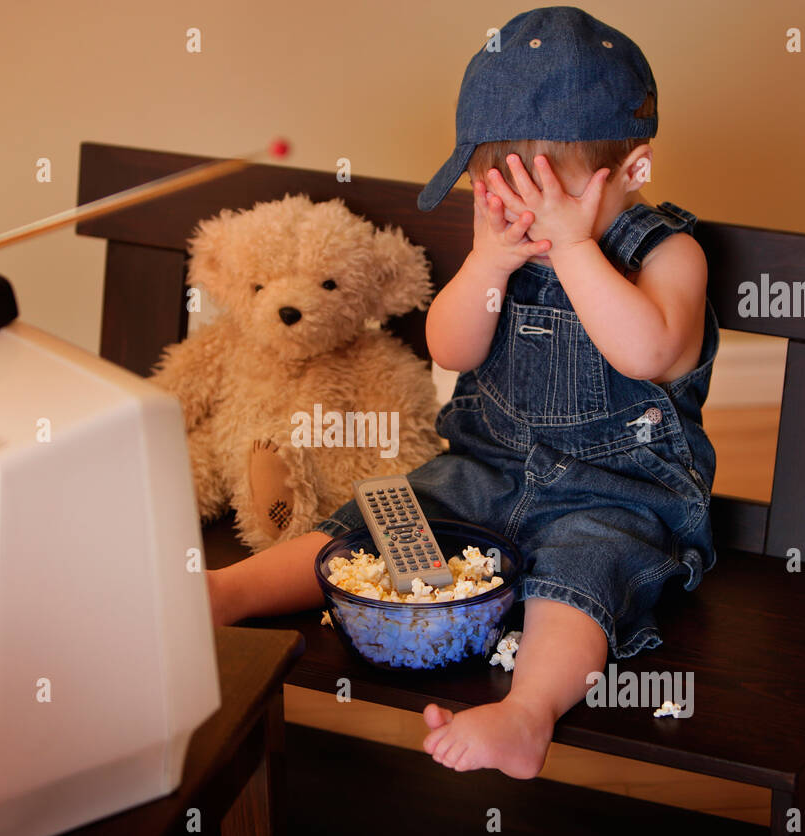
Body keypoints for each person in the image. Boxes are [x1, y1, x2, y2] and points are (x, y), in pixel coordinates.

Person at [208, 6, 718, 779]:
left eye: (546, 196)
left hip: (617, 493)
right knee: (384, 516)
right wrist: (486, 264)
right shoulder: (503, 250)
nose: (522, 218)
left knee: (581, 576)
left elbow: (646, 351)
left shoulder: (670, 253)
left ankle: (526, 712)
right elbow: (451, 346)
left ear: (635, 169)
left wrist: (577, 249)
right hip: (486, 468)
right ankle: (228, 593)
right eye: (497, 191)